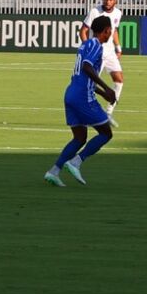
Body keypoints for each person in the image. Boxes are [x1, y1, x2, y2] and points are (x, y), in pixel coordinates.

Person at [43, 14, 121, 186]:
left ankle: (54, 171)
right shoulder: (96, 45)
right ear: (107, 31)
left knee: (79, 138)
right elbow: (86, 67)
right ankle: (76, 161)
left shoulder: (85, 44)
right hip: (82, 97)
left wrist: (102, 93)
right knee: (106, 133)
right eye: (110, 31)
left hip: (71, 93)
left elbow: (83, 76)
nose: (110, 33)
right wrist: (107, 88)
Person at [81, 0, 126, 111]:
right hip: (97, 53)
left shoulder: (118, 13)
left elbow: (114, 31)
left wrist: (118, 47)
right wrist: (87, 47)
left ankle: (109, 113)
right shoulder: (95, 11)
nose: (108, 2)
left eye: (110, 0)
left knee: (119, 80)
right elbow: (83, 31)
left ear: (115, 1)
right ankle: (87, 109)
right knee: (90, 84)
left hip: (110, 52)